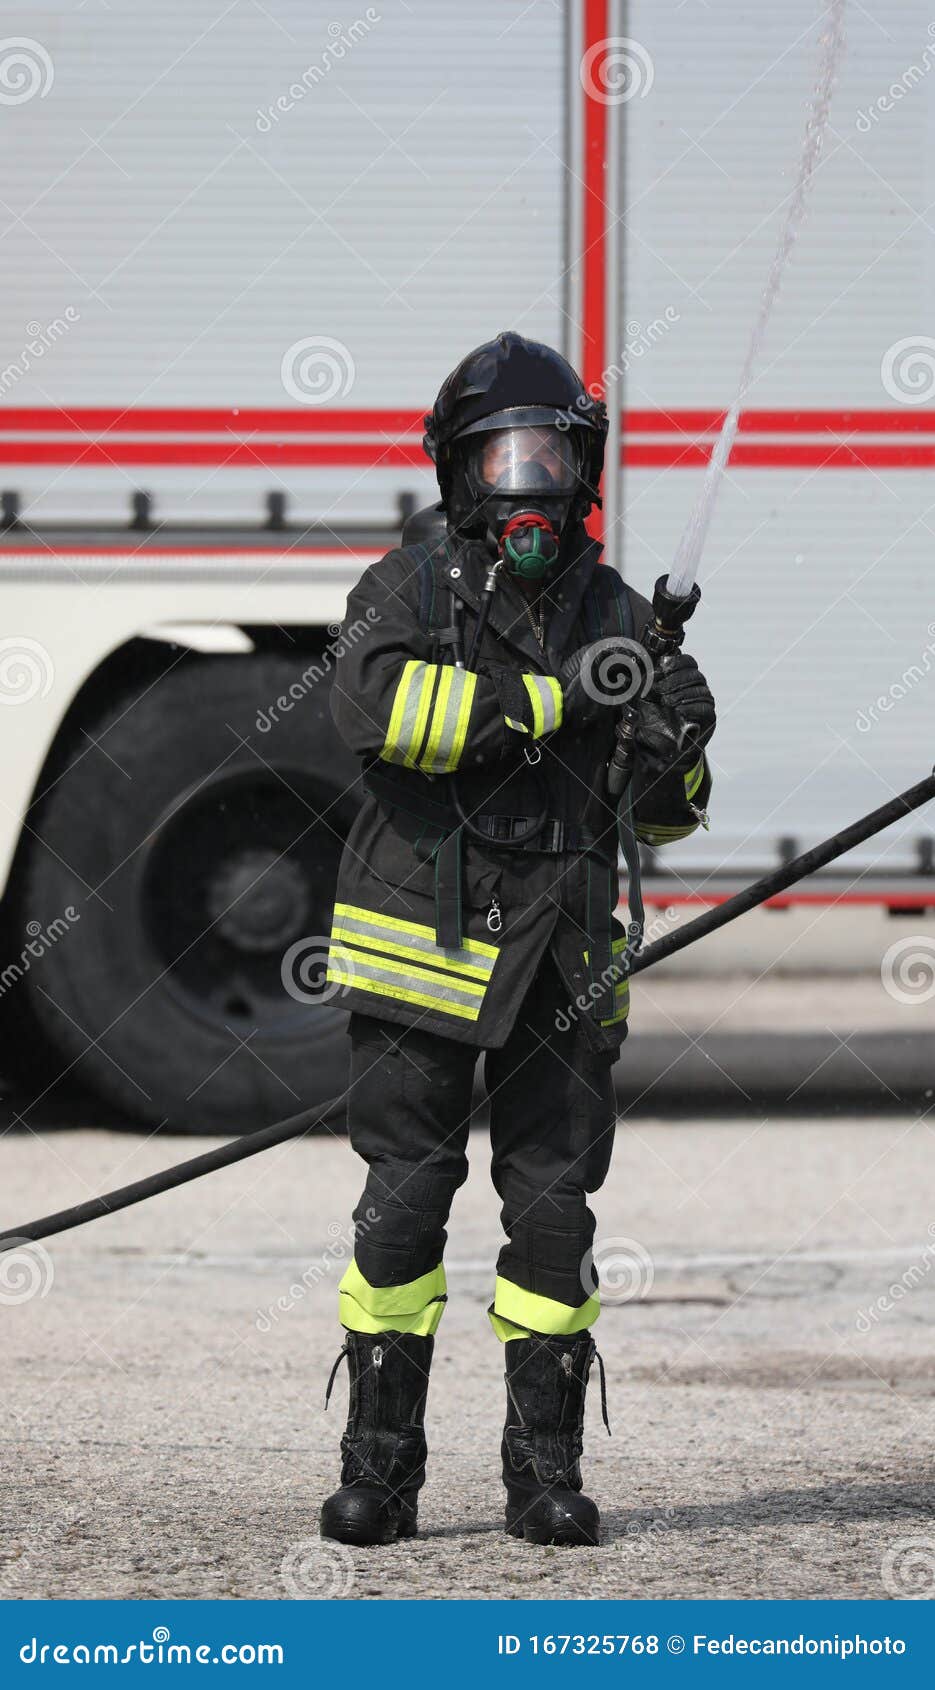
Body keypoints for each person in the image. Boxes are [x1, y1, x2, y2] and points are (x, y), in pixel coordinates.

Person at [319, 331, 716, 1547]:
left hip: (563, 959)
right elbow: (380, 714)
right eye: (504, 457)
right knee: (401, 1209)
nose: (528, 484)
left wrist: (673, 745)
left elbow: (664, 819)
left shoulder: (613, 607)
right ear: (459, 474)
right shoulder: (406, 590)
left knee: (552, 1214)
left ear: (581, 468)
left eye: (549, 454)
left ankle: (541, 1474)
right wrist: (556, 699)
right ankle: (379, 1475)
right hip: (421, 955)